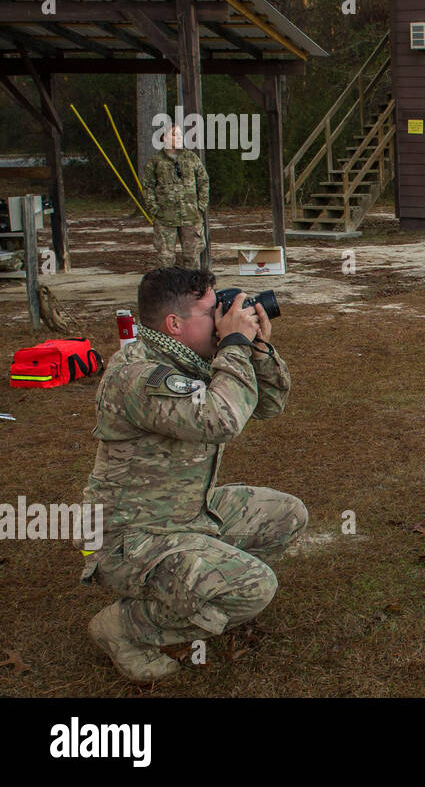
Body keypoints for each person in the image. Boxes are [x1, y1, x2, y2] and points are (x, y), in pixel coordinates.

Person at [80, 267, 305, 682]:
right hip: (131, 536)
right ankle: (125, 627)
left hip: (186, 513)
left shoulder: (188, 357)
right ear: (174, 324)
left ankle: (199, 599)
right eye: (212, 310)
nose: (224, 316)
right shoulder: (140, 375)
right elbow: (220, 420)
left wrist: (255, 348)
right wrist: (234, 343)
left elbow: (268, 405)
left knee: (286, 515)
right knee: (254, 587)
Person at [141, 124, 209, 269]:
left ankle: (192, 288)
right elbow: (147, 186)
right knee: (166, 258)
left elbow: (203, 181)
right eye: (174, 135)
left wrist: (201, 206)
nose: (178, 138)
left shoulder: (191, 158)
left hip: (191, 216)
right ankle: (167, 289)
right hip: (165, 217)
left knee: (192, 256)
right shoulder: (156, 161)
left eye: (180, 135)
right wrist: (154, 209)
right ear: (165, 138)